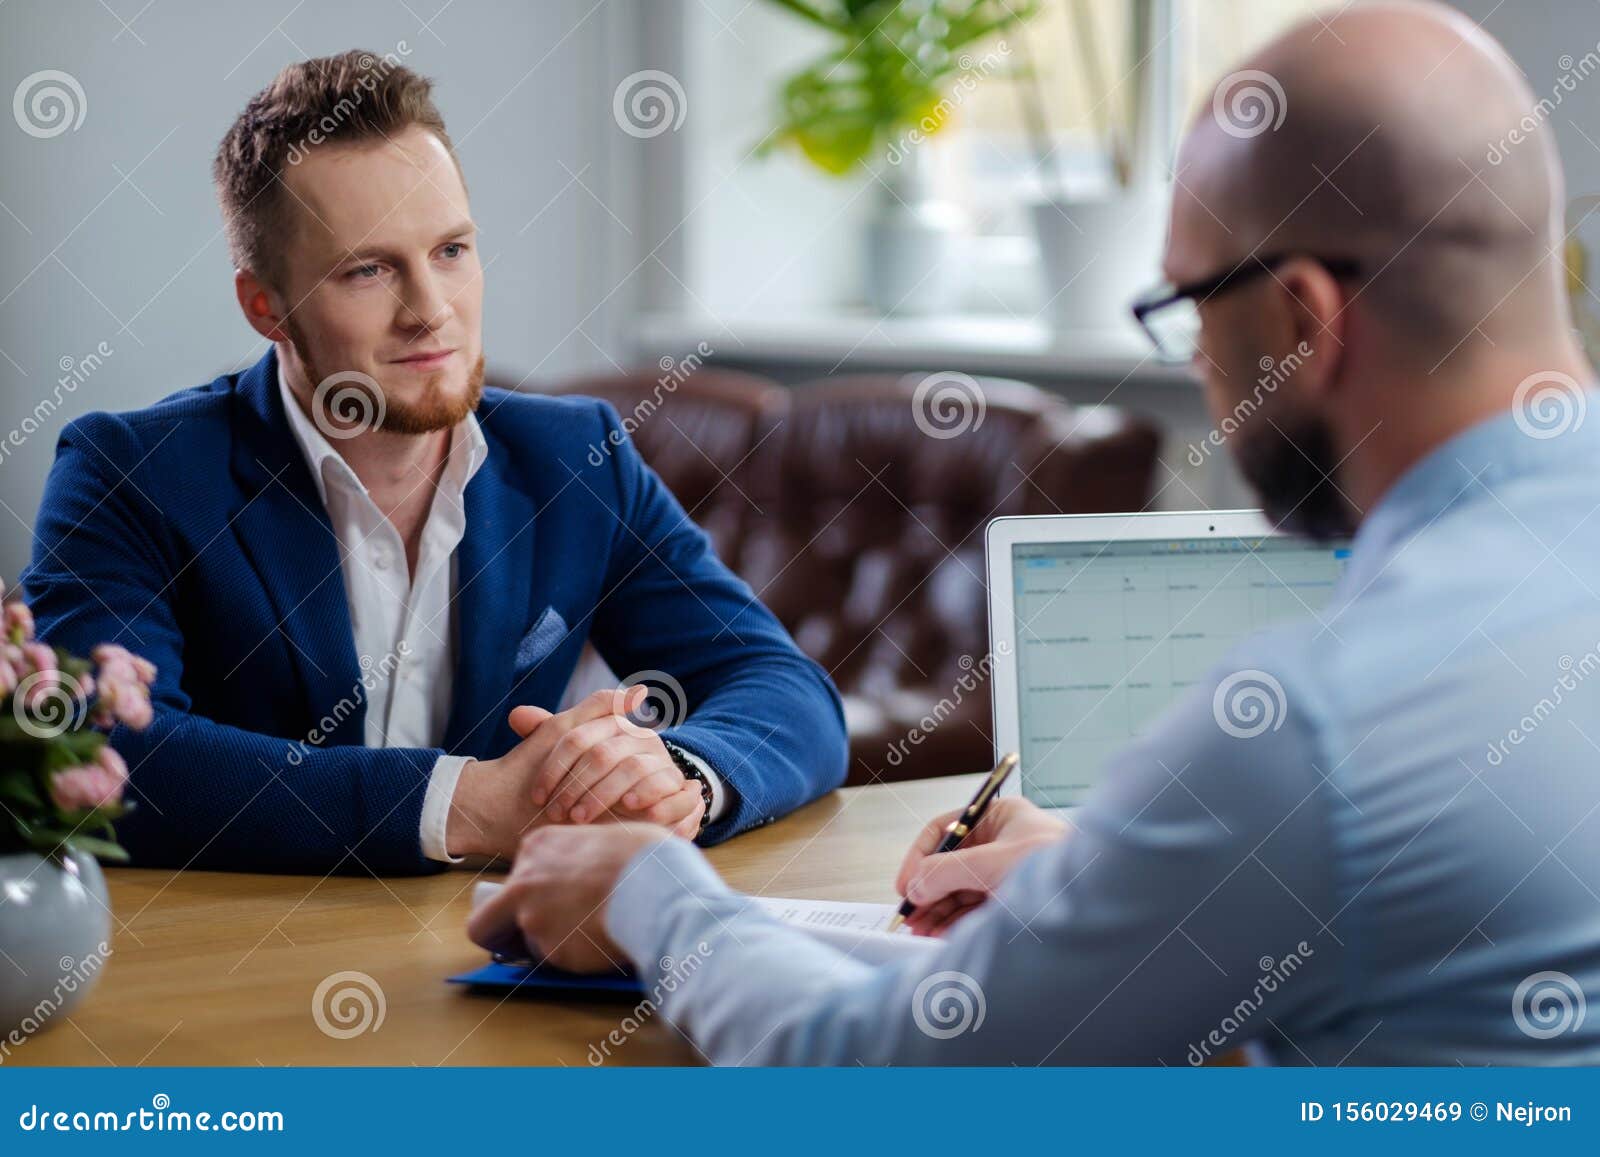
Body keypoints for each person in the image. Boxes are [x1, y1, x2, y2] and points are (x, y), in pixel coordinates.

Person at [468, 2, 1600, 1064]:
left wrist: (654, 893)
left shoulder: (1314, 731)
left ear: (1304, 318)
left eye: (1190, 308)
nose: (1201, 367)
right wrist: (1124, 886)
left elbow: (882, 1072)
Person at [22, 52, 847, 875]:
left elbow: (782, 688)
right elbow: (108, 755)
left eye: (451, 250)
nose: (431, 311)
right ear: (265, 305)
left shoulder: (577, 458)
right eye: (368, 270)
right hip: (228, 969)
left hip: (487, 957)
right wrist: (467, 804)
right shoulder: (130, 472)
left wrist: (682, 774)